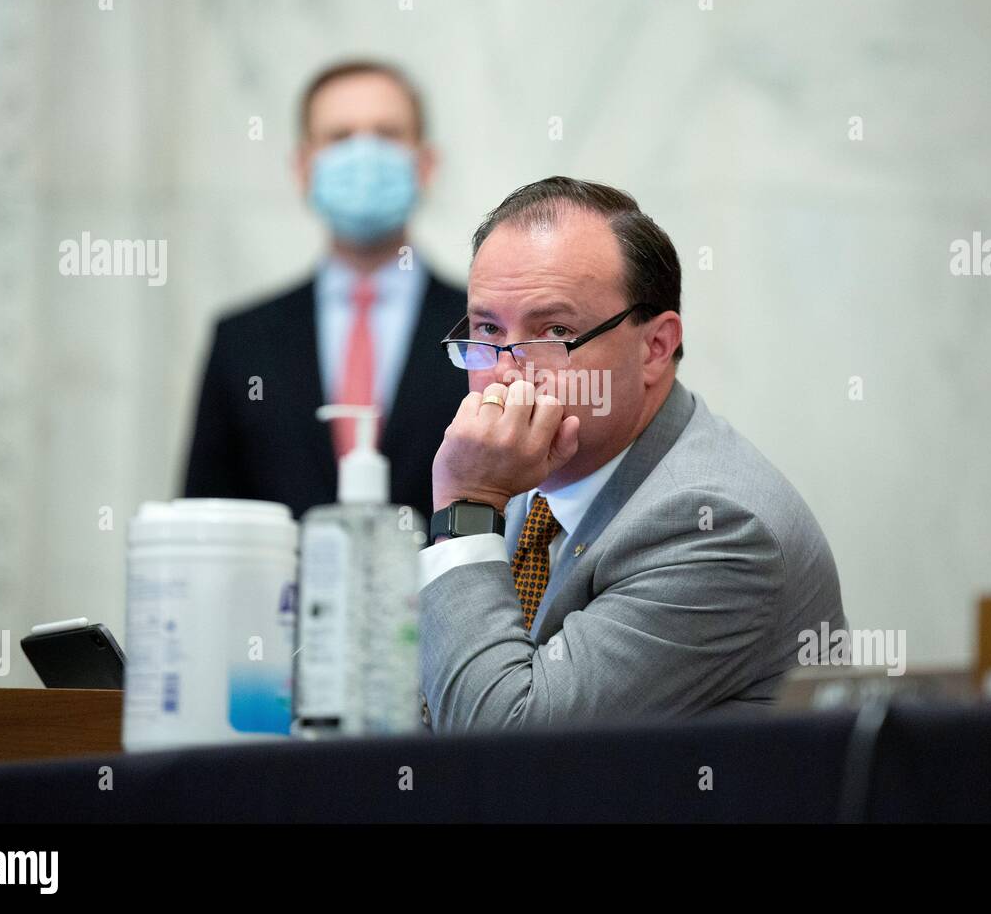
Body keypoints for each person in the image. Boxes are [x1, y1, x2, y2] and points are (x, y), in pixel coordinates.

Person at [418, 177, 845, 731]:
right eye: (487, 329)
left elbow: (504, 750)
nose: (505, 371)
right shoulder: (531, 472)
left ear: (655, 347)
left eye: (554, 331)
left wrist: (466, 508)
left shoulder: (715, 529)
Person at [184, 60, 467, 521]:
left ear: (425, 164)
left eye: (387, 133)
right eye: (339, 137)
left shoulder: (482, 331)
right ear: (303, 166)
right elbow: (204, 519)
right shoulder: (243, 341)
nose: (364, 155)